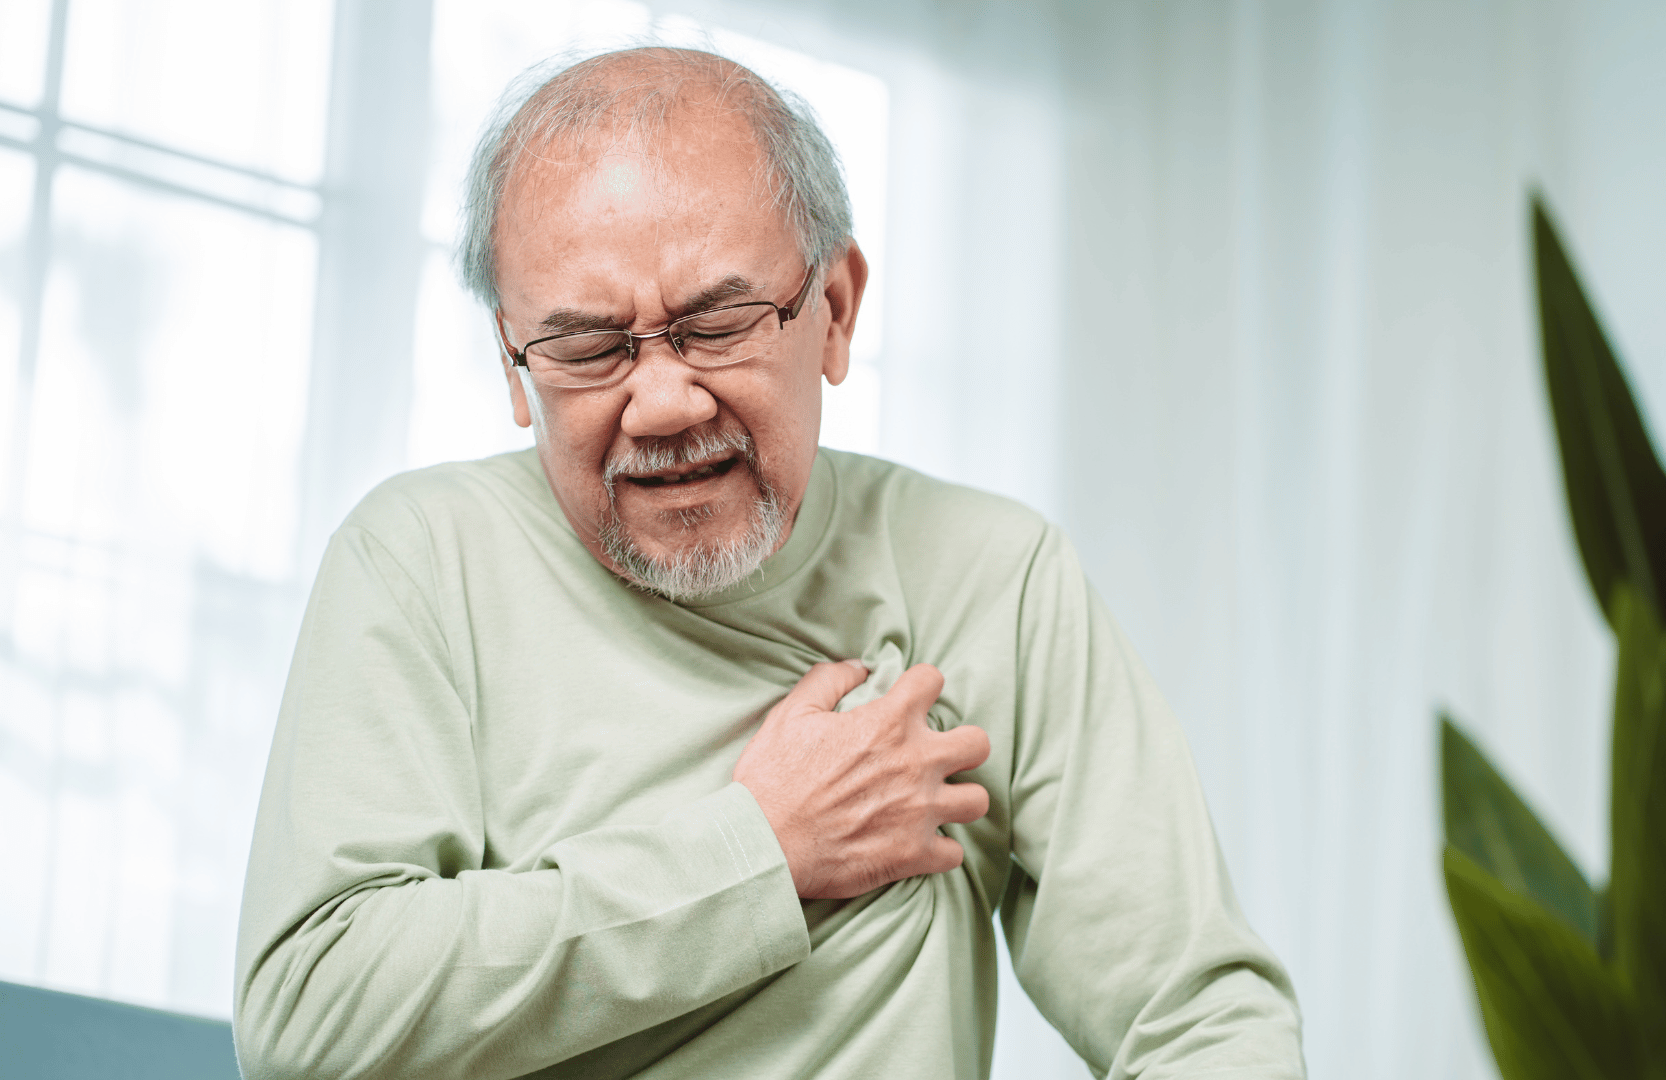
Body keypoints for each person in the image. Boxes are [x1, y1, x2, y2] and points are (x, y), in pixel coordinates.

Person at [233, 46, 1305, 1080]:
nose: (662, 403)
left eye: (716, 324)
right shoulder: (421, 559)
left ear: (834, 310)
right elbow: (309, 1010)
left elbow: (1198, 1018)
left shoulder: (991, 576)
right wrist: (759, 854)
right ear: (515, 368)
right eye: (586, 348)